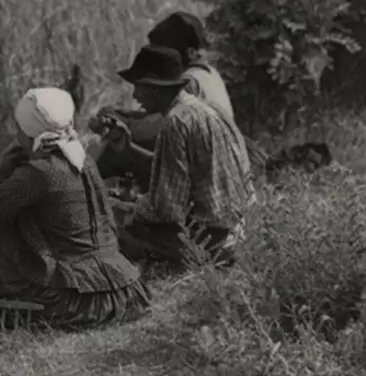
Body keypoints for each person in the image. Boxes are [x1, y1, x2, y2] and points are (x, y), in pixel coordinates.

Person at [0, 87, 151, 330]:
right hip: (123, 289)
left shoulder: (38, 173)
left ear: (27, 134)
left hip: (80, 300)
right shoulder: (86, 162)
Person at [103, 46, 254, 269]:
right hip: (240, 232)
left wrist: (124, 207)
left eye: (139, 87)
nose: (135, 97)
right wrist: (128, 149)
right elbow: (176, 175)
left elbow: (167, 210)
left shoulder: (176, 123)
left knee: (106, 221)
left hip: (211, 243)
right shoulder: (209, 110)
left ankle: (135, 291)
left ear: (155, 88)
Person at [89, 10, 236, 189]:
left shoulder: (189, 83)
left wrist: (122, 122)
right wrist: (127, 115)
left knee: (114, 152)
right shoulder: (210, 74)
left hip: (207, 180)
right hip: (217, 173)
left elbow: (153, 129)